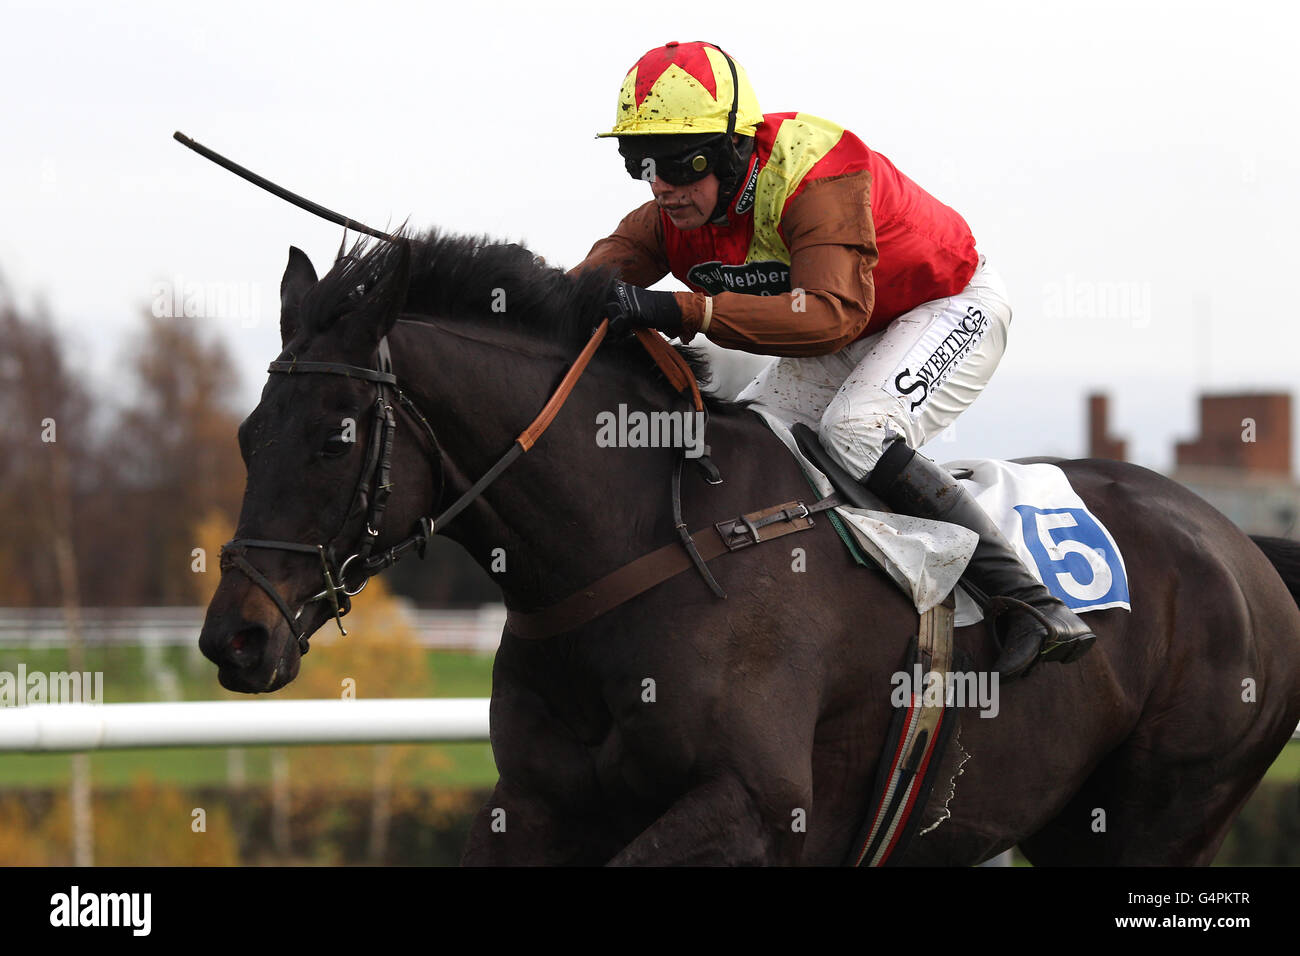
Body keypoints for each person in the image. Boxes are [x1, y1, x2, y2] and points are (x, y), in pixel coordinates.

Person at [571, 40, 1093, 679]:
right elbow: (576, 293)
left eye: (683, 163)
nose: (663, 186)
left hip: (946, 306)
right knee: (751, 448)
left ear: (738, 146)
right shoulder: (668, 214)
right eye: (643, 163)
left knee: (855, 430)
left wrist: (680, 311)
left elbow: (829, 314)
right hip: (853, 332)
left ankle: (1030, 603)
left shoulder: (815, 173)